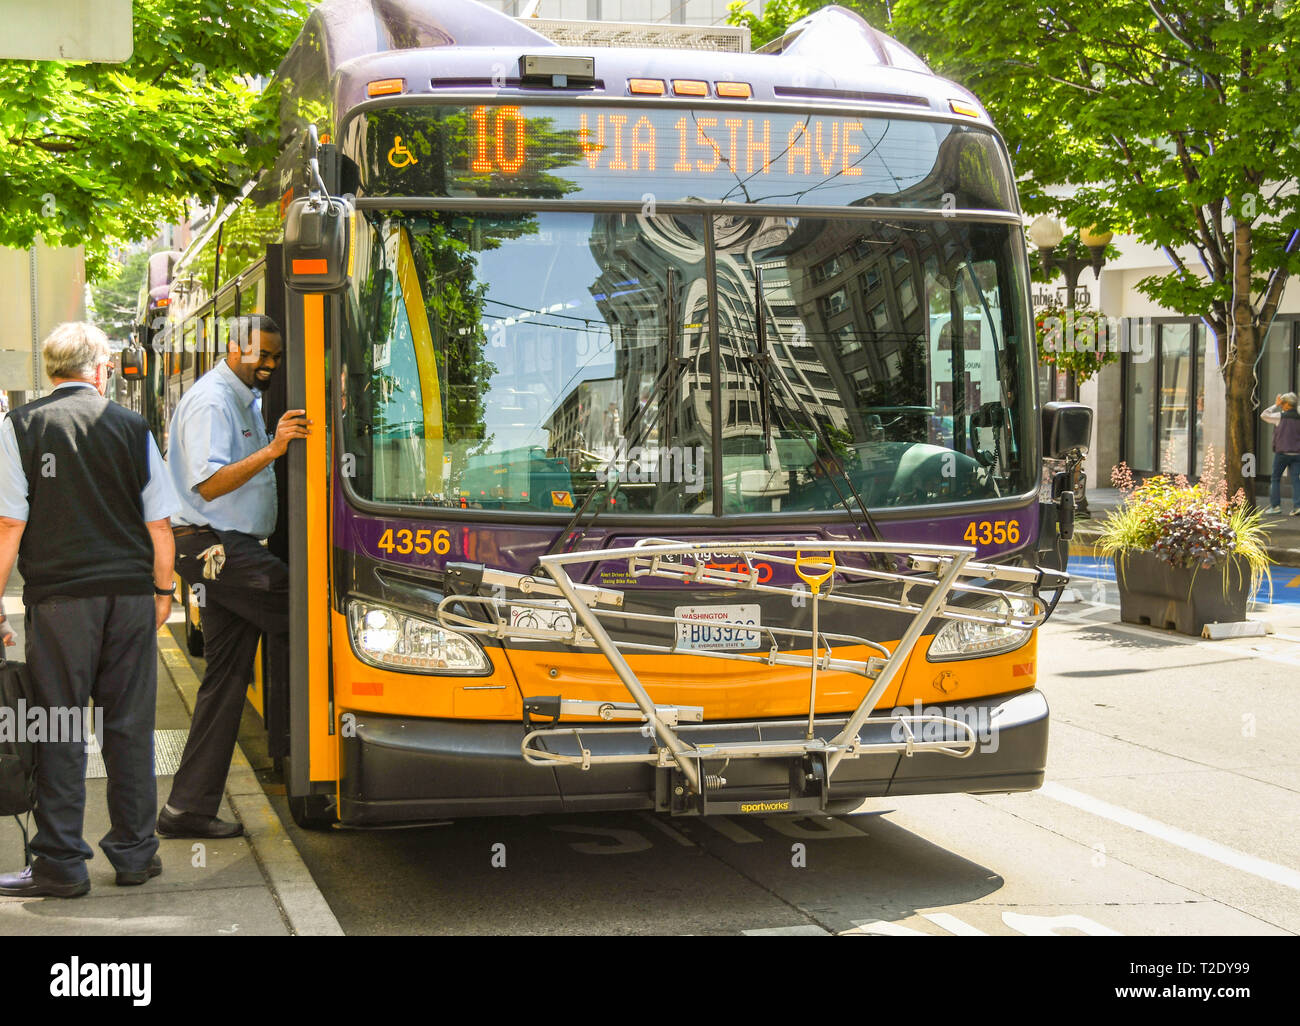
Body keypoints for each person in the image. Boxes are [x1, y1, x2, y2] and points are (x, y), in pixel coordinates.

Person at [0, 322, 179, 898]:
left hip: (59, 603)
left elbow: (8, 525)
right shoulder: (131, 426)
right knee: (129, 726)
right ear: (100, 368)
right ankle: (134, 855)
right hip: (128, 598)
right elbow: (159, 525)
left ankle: (60, 864)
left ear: (50, 371)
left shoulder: (20, 427)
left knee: (59, 725)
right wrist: (162, 592)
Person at [157, 314, 310, 839]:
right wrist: (272, 450)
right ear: (233, 346)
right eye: (258, 354)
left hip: (224, 548)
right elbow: (207, 486)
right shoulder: (211, 400)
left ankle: (185, 810)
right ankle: (315, 761)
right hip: (216, 546)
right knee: (313, 615)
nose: (267, 363)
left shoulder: (243, 396)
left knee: (224, 681)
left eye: (274, 356)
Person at [1260, 392, 1300, 515]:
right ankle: (1298, 506)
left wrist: (1275, 405)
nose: (1281, 405)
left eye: (1283, 403)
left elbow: (1264, 415)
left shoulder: (1279, 416)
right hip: (1297, 454)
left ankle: (1276, 507)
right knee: (1296, 480)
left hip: (1282, 453)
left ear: (1287, 404)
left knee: (1275, 478)